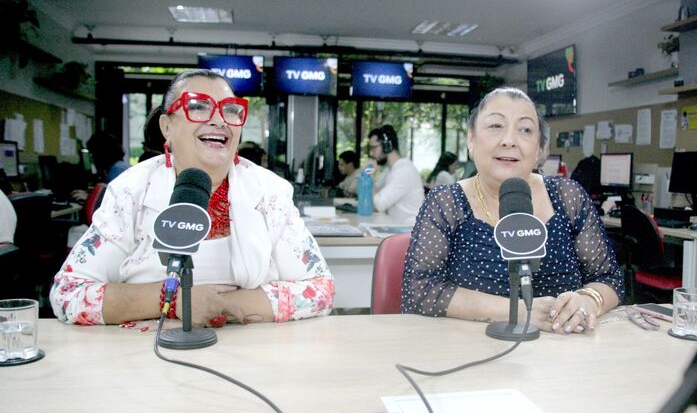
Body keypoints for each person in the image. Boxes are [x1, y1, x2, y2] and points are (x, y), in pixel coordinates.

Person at [51, 69, 335, 327]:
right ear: (167, 127)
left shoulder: (271, 192)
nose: (218, 120)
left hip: (250, 346)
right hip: (148, 350)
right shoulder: (130, 191)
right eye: (198, 107)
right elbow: (68, 295)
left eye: (230, 110)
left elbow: (320, 290)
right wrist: (176, 301)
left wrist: (218, 305)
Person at [401, 88, 623, 334]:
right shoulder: (446, 202)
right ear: (471, 140)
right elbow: (420, 291)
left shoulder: (568, 196)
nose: (509, 140)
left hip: (563, 346)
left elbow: (609, 278)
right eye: (496, 125)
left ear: (539, 148)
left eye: (525, 130)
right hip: (471, 346)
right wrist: (518, 312)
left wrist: (589, 300)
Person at [366, 125, 424, 224]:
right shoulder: (390, 170)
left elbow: (378, 205)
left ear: (387, 146)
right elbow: (373, 197)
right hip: (396, 225)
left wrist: (371, 176)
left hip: (410, 229)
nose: (371, 153)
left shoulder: (404, 171)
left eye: (374, 148)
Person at [70, 131, 130, 203]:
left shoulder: (116, 170)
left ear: (100, 153)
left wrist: (88, 197)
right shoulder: (120, 166)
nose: (91, 158)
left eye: (92, 153)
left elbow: (113, 201)